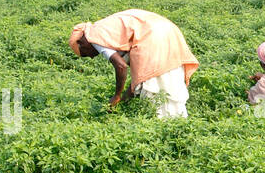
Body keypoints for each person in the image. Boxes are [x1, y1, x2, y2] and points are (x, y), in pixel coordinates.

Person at [70, 9, 200, 117]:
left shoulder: (93, 36)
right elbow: (137, 81)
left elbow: (121, 66)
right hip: (168, 30)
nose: (91, 57)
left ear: (82, 43)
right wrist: (123, 101)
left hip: (153, 37)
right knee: (168, 80)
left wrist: (116, 96)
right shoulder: (104, 29)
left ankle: (165, 129)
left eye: (86, 54)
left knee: (154, 87)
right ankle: (177, 125)